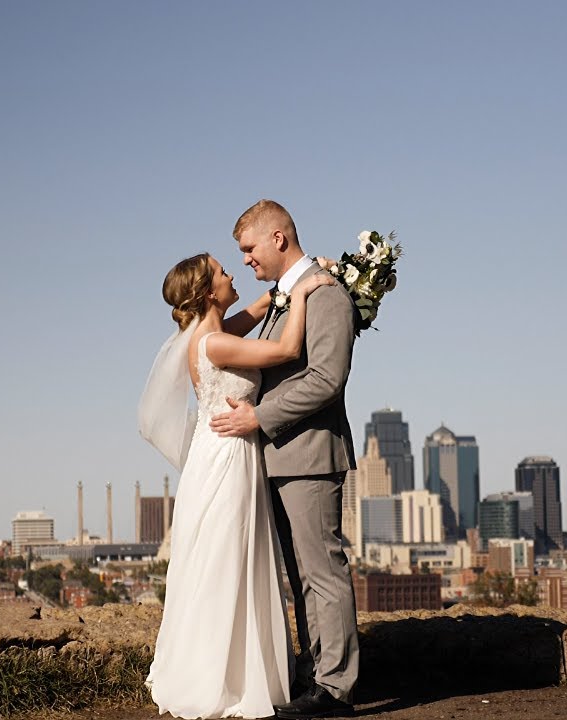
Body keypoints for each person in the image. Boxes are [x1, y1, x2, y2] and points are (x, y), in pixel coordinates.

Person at [141, 251, 334, 719]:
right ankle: (221, 679)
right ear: (209, 292)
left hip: (231, 455)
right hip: (226, 461)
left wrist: (293, 281)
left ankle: (238, 671)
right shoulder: (214, 344)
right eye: (224, 271)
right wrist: (307, 292)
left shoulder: (218, 334)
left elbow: (261, 306)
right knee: (226, 560)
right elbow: (287, 350)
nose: (233, 274)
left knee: (235, 560)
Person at [210, 200, 360, 719]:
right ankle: (314, 674)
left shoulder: (326, 294)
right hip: (276, 457)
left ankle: (336, 689)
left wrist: (258, 417)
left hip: (310, 454)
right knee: (299, 577)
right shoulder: (283, 298)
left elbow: (326, 378)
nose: (247, 260)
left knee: (323, 571)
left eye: (249, 249)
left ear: (278, 239)